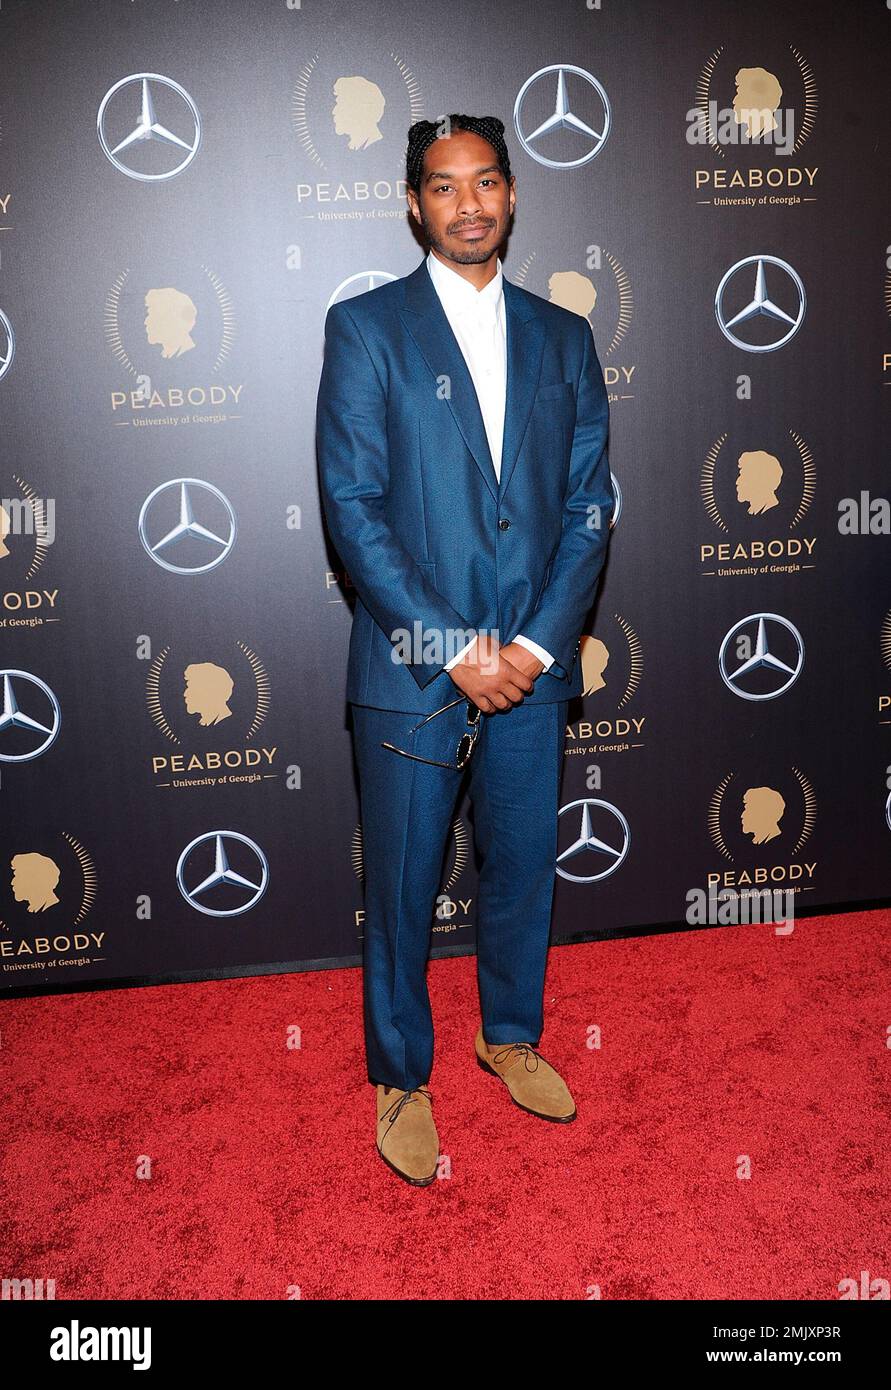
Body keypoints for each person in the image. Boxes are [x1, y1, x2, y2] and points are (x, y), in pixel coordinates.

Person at [316, 113, 614, 1186]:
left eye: (487, 182)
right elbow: (353, 513)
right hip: (413, 670)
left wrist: (533, 645)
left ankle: (511, 1034)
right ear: (413, 203)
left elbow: (589, 506)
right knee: (401, 884)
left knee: (524, 864)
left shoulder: (563, 336)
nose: (470, 204)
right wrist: (455, 649)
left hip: (532, 668)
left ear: (513, 194)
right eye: (445, 187)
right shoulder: (366, 331)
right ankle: (401, 1073)